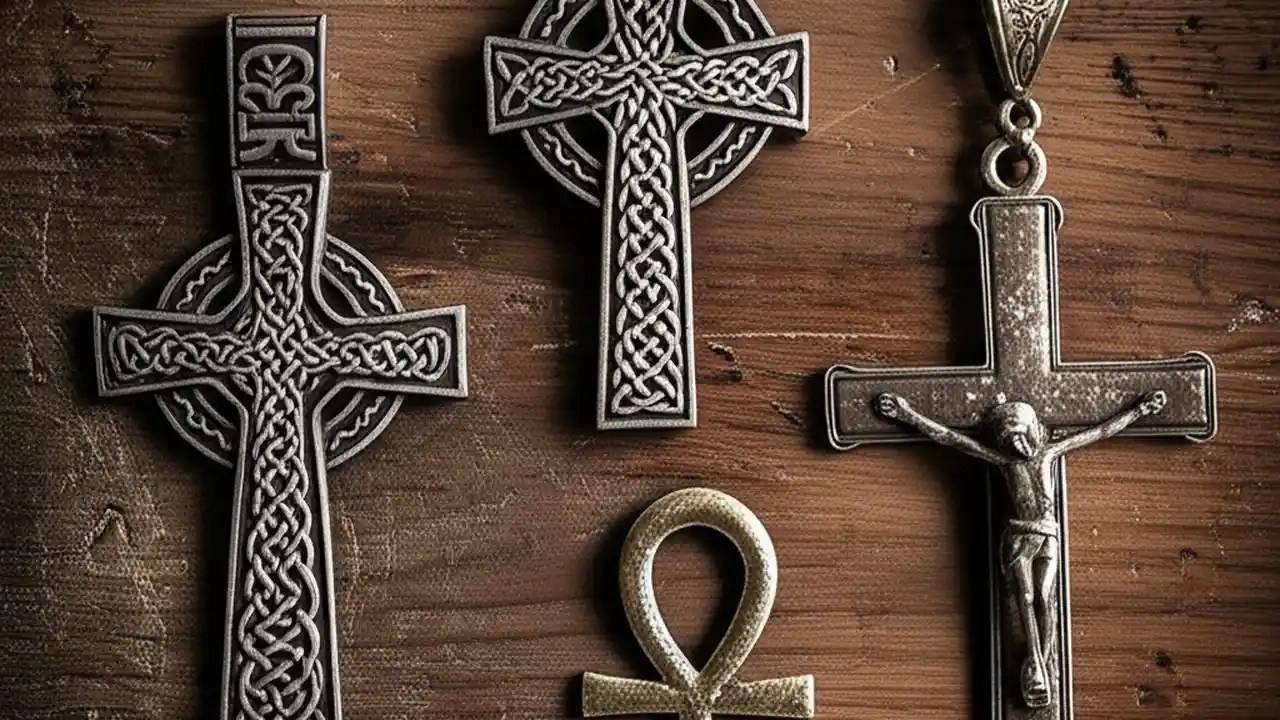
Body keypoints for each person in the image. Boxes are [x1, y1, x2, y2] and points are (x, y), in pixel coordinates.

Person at [875, 389, 1168, 708]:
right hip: (1020, 539)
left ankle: (1038, 663)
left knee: (1045, 597)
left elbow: (1099, 432)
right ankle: (1037, 668)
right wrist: (906, 414)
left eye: (1021, 436)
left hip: (1047, 536)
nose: (1018, 444)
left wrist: (1139, 411)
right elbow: (951, 439)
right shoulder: (1003, 462)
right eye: (1009, 439)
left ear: (1032, 432)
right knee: (1026, 598)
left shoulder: (1051, 453)